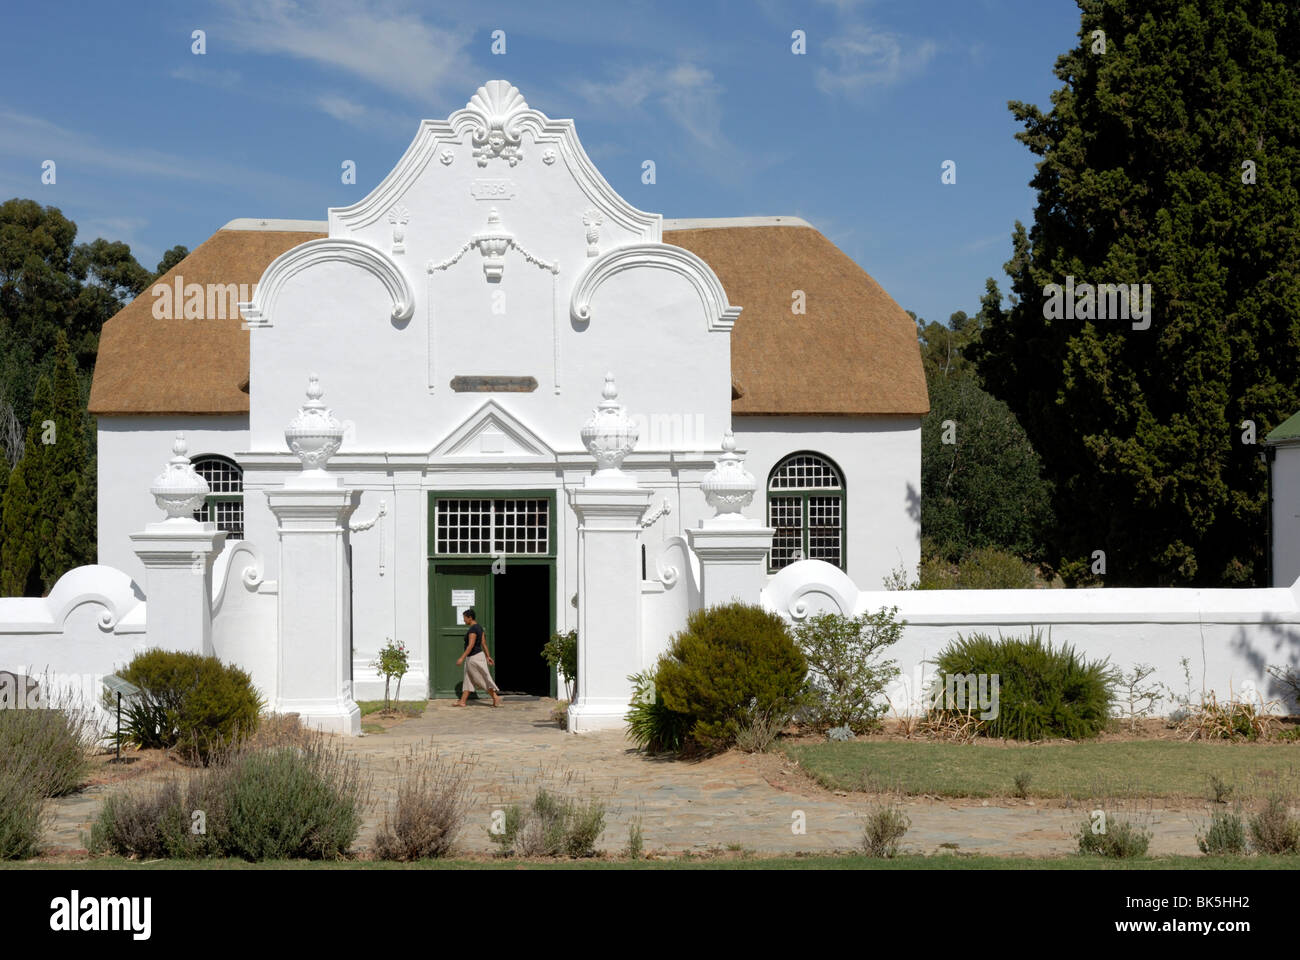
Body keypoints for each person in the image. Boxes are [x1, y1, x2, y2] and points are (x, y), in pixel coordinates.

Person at [455, 608, 503, 707]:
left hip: (473, 657)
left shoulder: (473, 629)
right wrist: (488, 656)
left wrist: (461, 658)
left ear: (470, 617)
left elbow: (471, 645)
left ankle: (495, 697)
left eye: (464, 618)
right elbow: (483, 643)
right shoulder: (479, 628)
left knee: (479, 679)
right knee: (468, 679)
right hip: (477, 656)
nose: (464, 620)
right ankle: (463, 701)